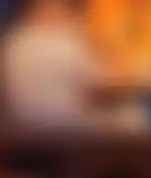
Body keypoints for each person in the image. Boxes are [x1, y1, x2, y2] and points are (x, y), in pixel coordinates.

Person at [0, 0, 109, 130]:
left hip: (24, 129)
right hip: (69, 127)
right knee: (128, 119)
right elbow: (102, 80)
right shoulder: (66, 41)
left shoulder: (14, 42)